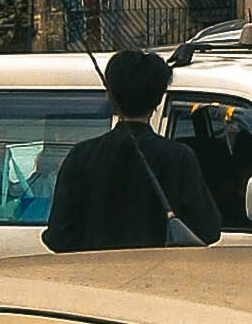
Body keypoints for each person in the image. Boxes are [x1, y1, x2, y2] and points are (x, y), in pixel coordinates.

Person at [42, 48, 223, 254]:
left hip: (92, 281)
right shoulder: (179, 158)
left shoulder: (80, 157)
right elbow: (207, 230)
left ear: (110, 96)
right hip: (160, 279)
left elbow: (58, 237)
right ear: (159, 99)